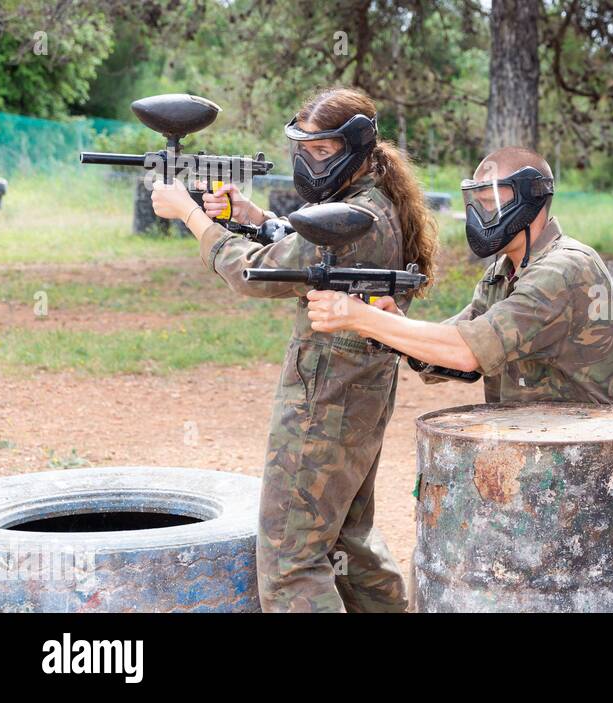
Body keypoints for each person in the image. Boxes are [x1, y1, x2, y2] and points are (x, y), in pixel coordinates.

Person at [150, 87, 434, 613]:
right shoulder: (373, 201)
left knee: (289, 564)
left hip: (322, 404)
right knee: (350, 542)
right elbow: (298, 250)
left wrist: (191, 216)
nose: (309, 161)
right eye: (304, 149)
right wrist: (255, 217)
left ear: (356, 147)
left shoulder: (356, 217)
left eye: (323, 151)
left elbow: (254, 274)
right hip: (358, 394)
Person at [305, 147, 613, 406]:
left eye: (490, 202)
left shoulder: (563, 270)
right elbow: (458, 349)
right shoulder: (503, 271)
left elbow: (467, 351)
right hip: (542, 441)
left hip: (594, 451)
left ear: (531, 201)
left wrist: (361, 318)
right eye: (476, 203)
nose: (480, 216)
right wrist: (392, 326)